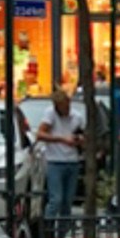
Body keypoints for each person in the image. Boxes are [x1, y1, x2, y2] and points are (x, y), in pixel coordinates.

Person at [35, 87, 85, 228]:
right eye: (62, 108)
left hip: (72, 161)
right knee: (56, 199)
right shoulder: (50, 115)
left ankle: (62, 236)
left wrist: (79, 140)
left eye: (67, 106)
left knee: (67, 202)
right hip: (55, 161)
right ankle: (48, 232)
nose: (66, 110)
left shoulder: (77, 117)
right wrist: (62, 139)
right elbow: (40, 134)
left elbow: (84, 136)